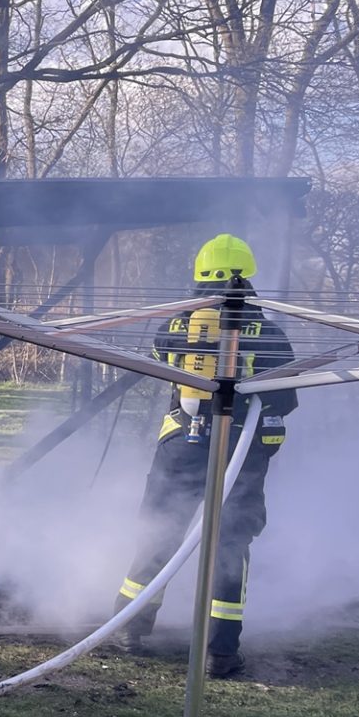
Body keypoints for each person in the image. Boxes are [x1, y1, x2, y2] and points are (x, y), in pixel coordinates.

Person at [113, 234, 299, 678]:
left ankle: (129, 628)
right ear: (248, 275)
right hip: (242, 452)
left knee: (159, 531)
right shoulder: (270, 332)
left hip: (181, 444)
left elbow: (161, 361)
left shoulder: (174, 325)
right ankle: (220, 651)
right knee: (230, 543)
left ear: (199, 274)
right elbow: (286, 399)